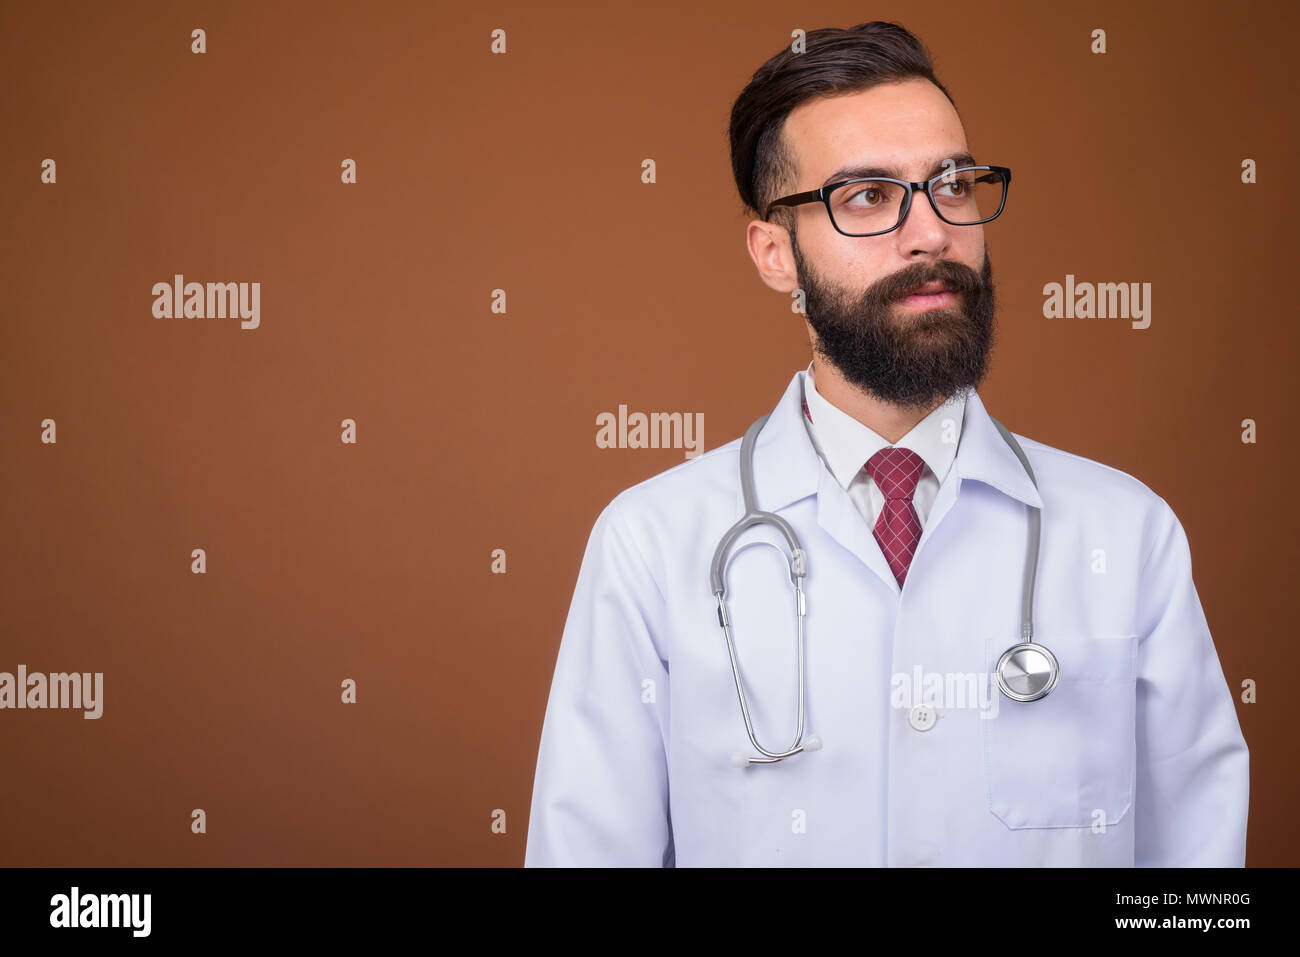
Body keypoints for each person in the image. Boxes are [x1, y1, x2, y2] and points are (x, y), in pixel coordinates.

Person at [524, 21, 1249, 867]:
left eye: (951, 184)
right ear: (775, 254)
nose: (932, 232)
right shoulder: (649, 546)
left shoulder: (1127, 535)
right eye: (867, 196)